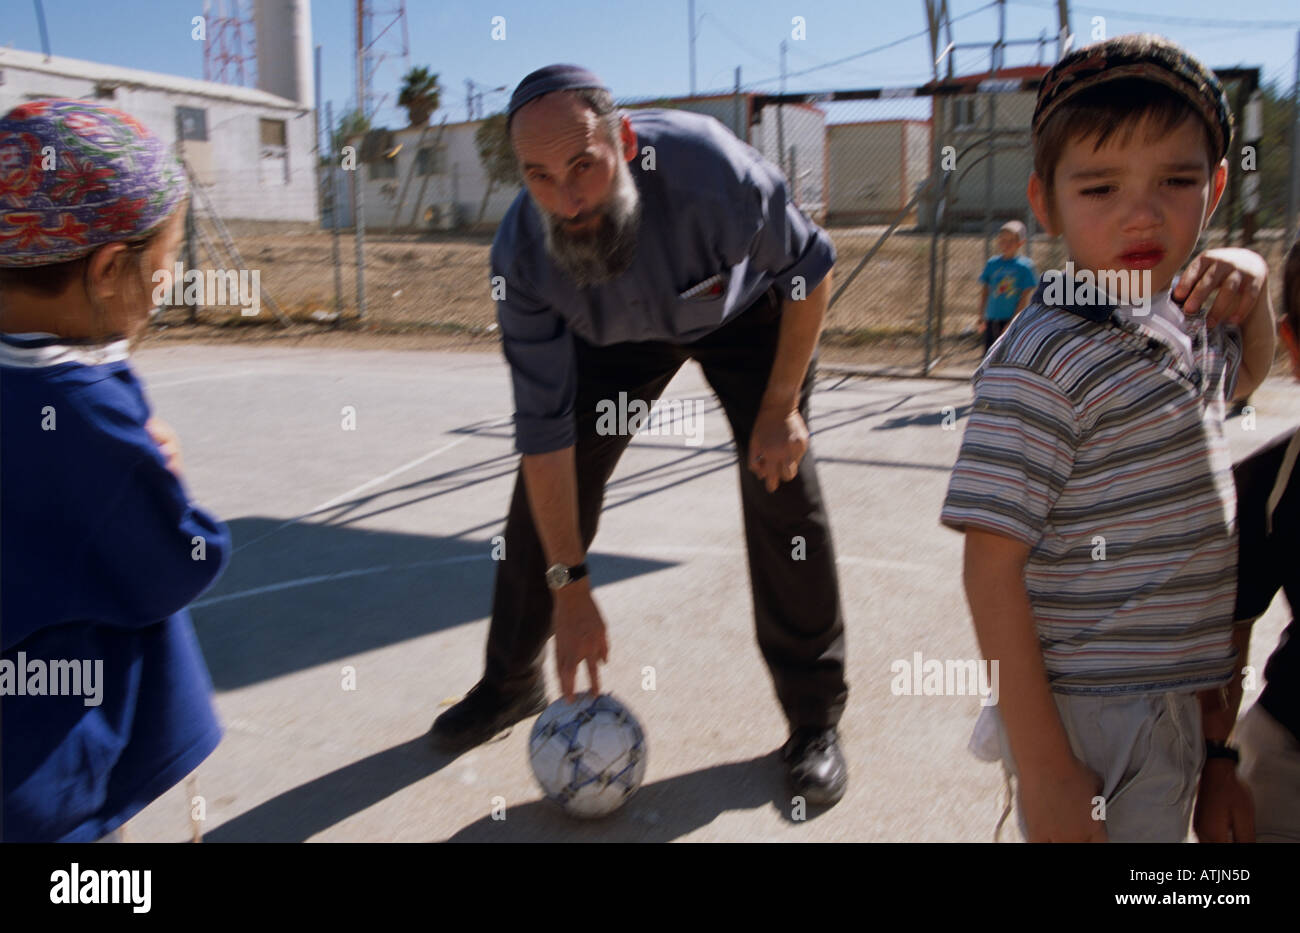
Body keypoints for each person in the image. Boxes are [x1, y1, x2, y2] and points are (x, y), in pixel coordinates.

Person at [430, 65, 850, 805]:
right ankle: (510, 682)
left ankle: (814, 721)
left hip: (742, 311)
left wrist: (782, 404)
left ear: (623, 141)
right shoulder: (524, 259)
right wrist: (571, 588)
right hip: (614, 336)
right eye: (540, 176)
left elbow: (808, 272)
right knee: (543, 506)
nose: (567, 197)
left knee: (781, 487)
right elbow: (545, 437)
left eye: (583, 166)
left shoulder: (713, 174)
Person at [940, 35, 1277, 842]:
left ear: (1217, 186)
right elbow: (990, 569)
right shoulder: (1042, 357)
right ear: (1046, 202)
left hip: (1176, 694)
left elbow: (1249, 377)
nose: (1142, 212)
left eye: (1177, 180)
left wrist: (1251, 283)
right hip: (1090, 712)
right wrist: (1048, 765)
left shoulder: (1179, 319)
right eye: (1099, 185)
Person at [0, 99, 230, 841]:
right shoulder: (85, 413)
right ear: (107, 269)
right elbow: (177, 562)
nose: (166, 288)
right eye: (166, 265)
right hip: (48, 766)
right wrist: (170, 470)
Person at [1194, 237, 1300, 843]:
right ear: (1294, 344)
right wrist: (1218, 765)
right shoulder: (1269, 484)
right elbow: (1228, 638)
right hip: (1289, 752)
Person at [977, 220, 1037, 355]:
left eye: (1011, 241)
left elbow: (1025, 297)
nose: (1006, 244)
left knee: (1008, 356)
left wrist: (1013, 321)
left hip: (1012, 321)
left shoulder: (1025, 266)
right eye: (1003, 240)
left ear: (1020, 243)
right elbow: (985, 291)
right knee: (990, 356)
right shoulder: (992, 264)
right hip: (992, 318)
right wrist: (981, 316)